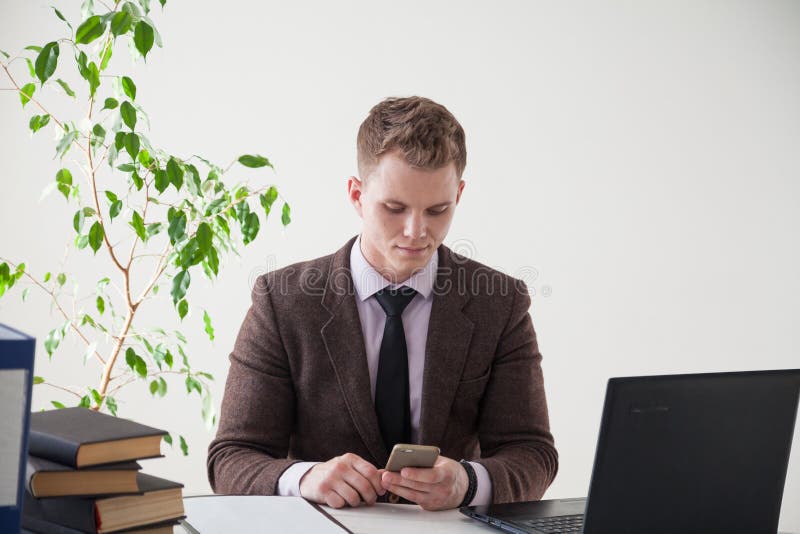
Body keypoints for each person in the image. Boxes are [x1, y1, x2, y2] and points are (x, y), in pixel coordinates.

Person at [207, 96, 557, 511]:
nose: (416, 231)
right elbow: (230, 458)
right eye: (394, 208)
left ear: (459, 195)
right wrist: (304, 478)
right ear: (357, 195)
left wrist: (468, 481)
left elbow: (533, 453)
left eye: (437, 210)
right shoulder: (282, 302)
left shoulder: (500, 304)